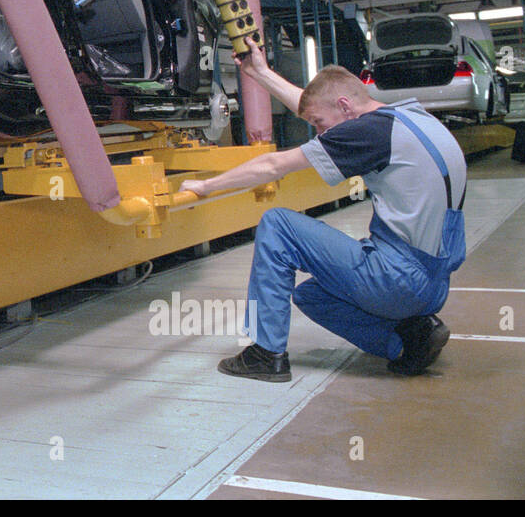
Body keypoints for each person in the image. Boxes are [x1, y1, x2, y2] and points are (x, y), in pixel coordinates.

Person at [179, 40, 466, 382]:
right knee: (312, 296)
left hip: (397, 281)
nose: (318, 134)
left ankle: (265, 352)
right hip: (434, 284)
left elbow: (273, 165)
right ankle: (409, 337)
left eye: (318, 125)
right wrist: (261, 73)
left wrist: (204, 187)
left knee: (278, 224)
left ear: (346, 107)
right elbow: (316, 105)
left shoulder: (367, 132)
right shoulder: (410, 119)